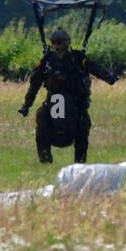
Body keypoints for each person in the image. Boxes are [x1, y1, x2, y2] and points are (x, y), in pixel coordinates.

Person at [18, 27, 117, 164]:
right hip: (53, 101)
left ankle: (80, 162)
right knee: (42, 117)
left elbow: (93, 67)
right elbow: (35, 83)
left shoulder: (77, 59)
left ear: (68, 43)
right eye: (55, 42)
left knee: (83, 123)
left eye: (60, 42)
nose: (58, 46)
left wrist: (108, 77)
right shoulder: (47, 61)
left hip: (76, 103)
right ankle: (45, 160)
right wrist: (26, 105)